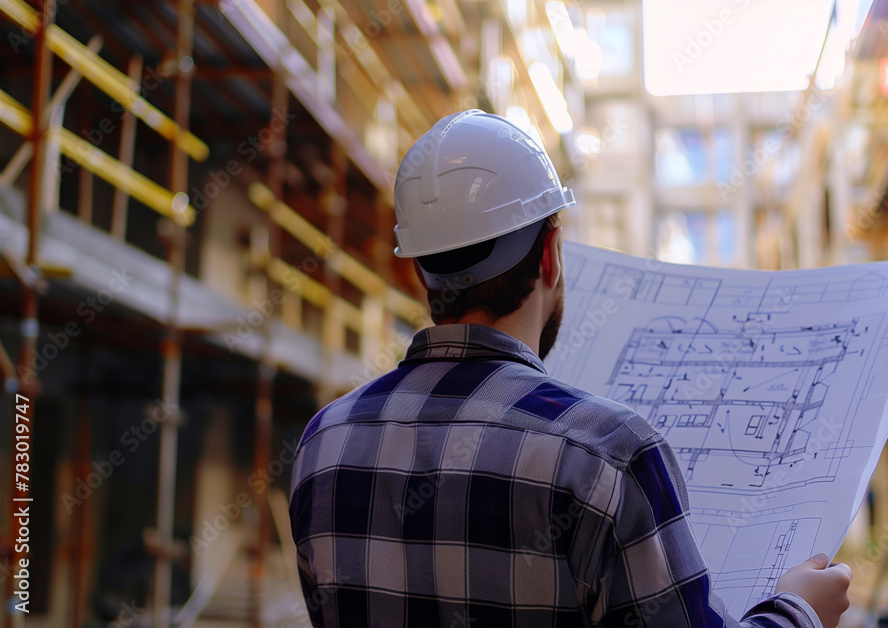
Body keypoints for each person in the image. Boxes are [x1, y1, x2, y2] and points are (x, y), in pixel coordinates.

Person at [289, 110, 852, 627]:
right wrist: (799, 612)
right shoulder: (608, 454)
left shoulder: (323, 445)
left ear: (419, 271)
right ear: (551, 255)